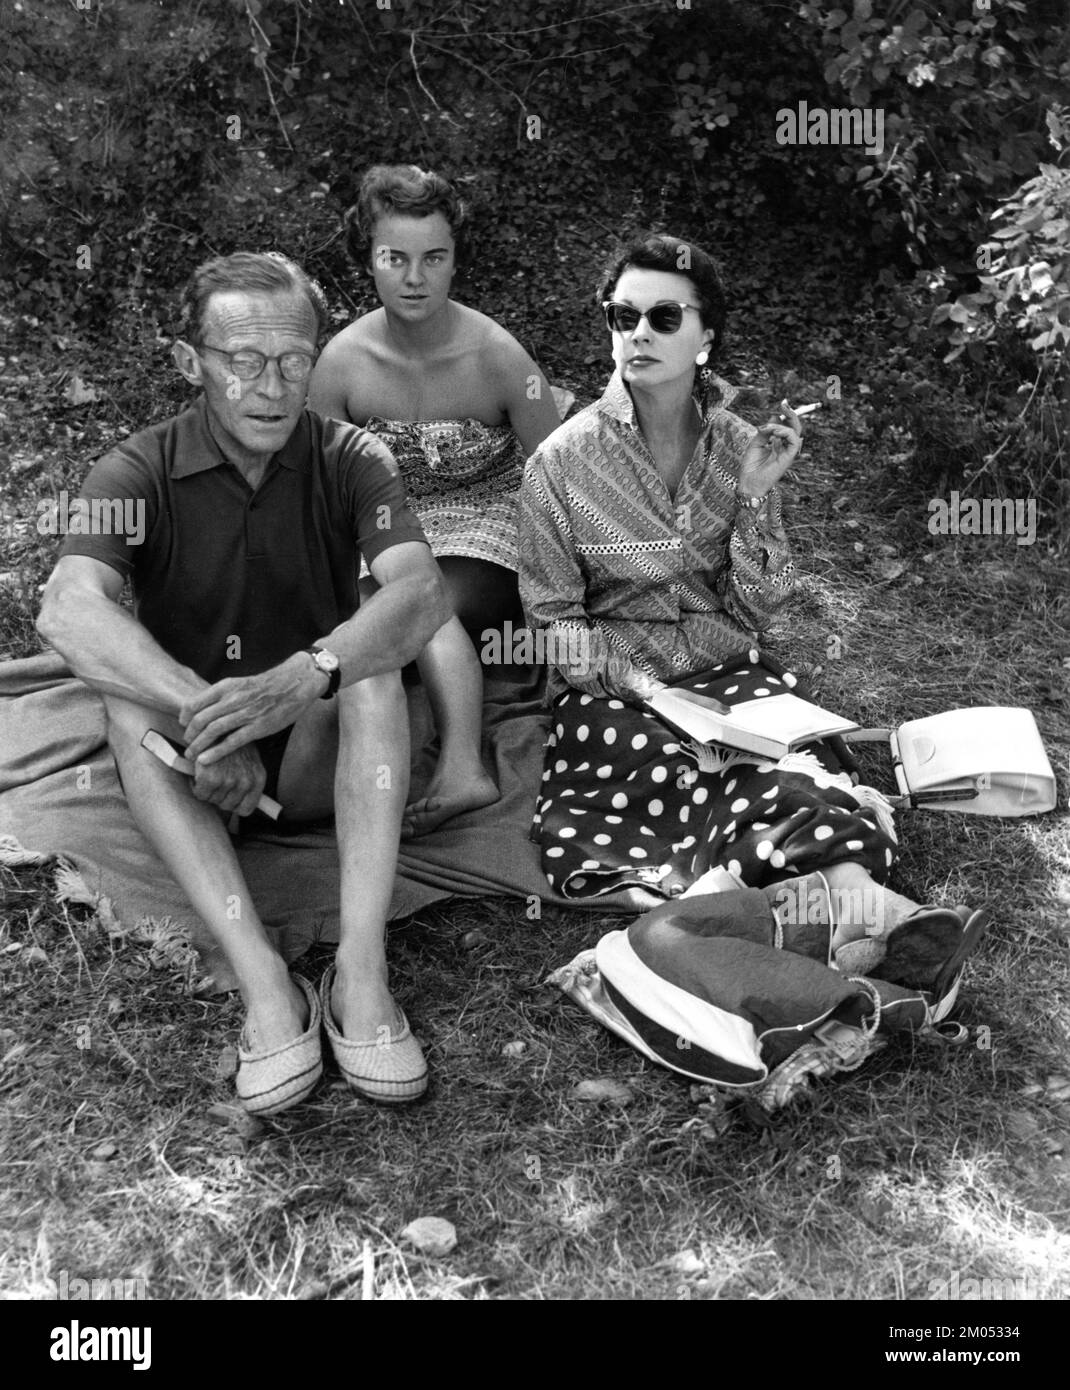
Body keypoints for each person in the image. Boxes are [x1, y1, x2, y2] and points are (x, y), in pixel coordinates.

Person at [36, 251, 451, 1115]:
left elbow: (421, 590)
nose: (272, 385)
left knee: (369, 675)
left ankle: (359, 977)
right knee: (125, 694)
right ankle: (266, 983)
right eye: (243, 361)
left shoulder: (351, 455)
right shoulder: (134, 468)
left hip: (311, 755)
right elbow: (67, 611)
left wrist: (309, 674)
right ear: (192, 363)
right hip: (195, 764)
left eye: (295, 359)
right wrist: (205, 717)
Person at [518, 233, 988, 972]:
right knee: (692, 767)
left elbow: (760, 605)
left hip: (729, 674)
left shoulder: (741, 444)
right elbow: (553, 622)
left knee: (791, 768)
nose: (638, 333)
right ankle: (869, 912)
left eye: (664, 317)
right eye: (621, 316)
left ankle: (853, 913)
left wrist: (753, 497)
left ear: (706, 337)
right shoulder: (561, 460)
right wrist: (643, 687)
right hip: (616, 691)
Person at [309, 164, 562, 837]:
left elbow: (561, 480)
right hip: (385, 532)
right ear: (369, 261)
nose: (414, 278)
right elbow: (315, 483)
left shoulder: (498, 356)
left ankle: (462, 765)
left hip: (485, 528)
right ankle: (321, 774)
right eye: (395, 258)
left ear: (454, 263)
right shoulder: (340, 363)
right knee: (351, 618)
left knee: (421, 606)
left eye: (433, 258)